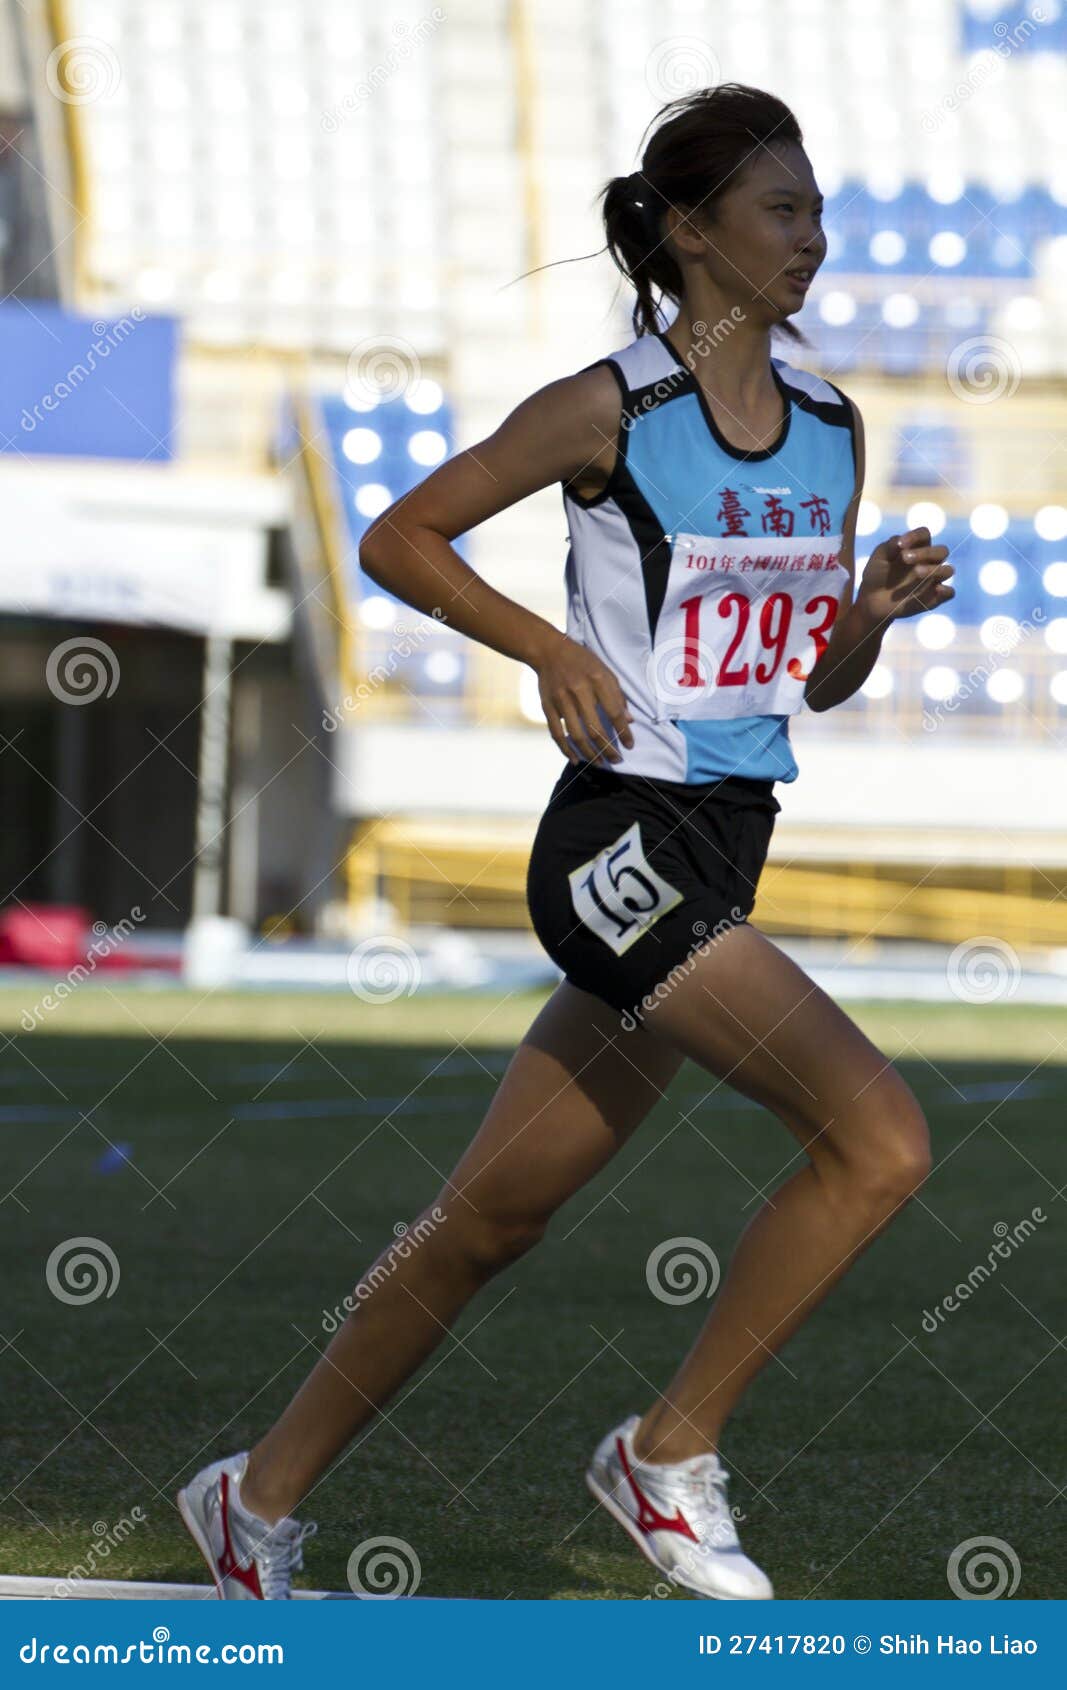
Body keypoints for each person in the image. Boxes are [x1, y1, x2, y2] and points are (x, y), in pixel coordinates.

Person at [177, 83, 953, 1601]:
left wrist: (861, 616)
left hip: (726, 846)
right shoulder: (610, 407)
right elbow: (399, 534)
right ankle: (666, 1456)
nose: (814, 236)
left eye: (816, 209)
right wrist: (545, 647)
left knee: (491, 1219)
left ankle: (249, 1501)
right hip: (616, 849)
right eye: (782, 209)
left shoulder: (837, 429)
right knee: (882, 1141)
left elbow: (806, 679)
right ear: (690, 232)